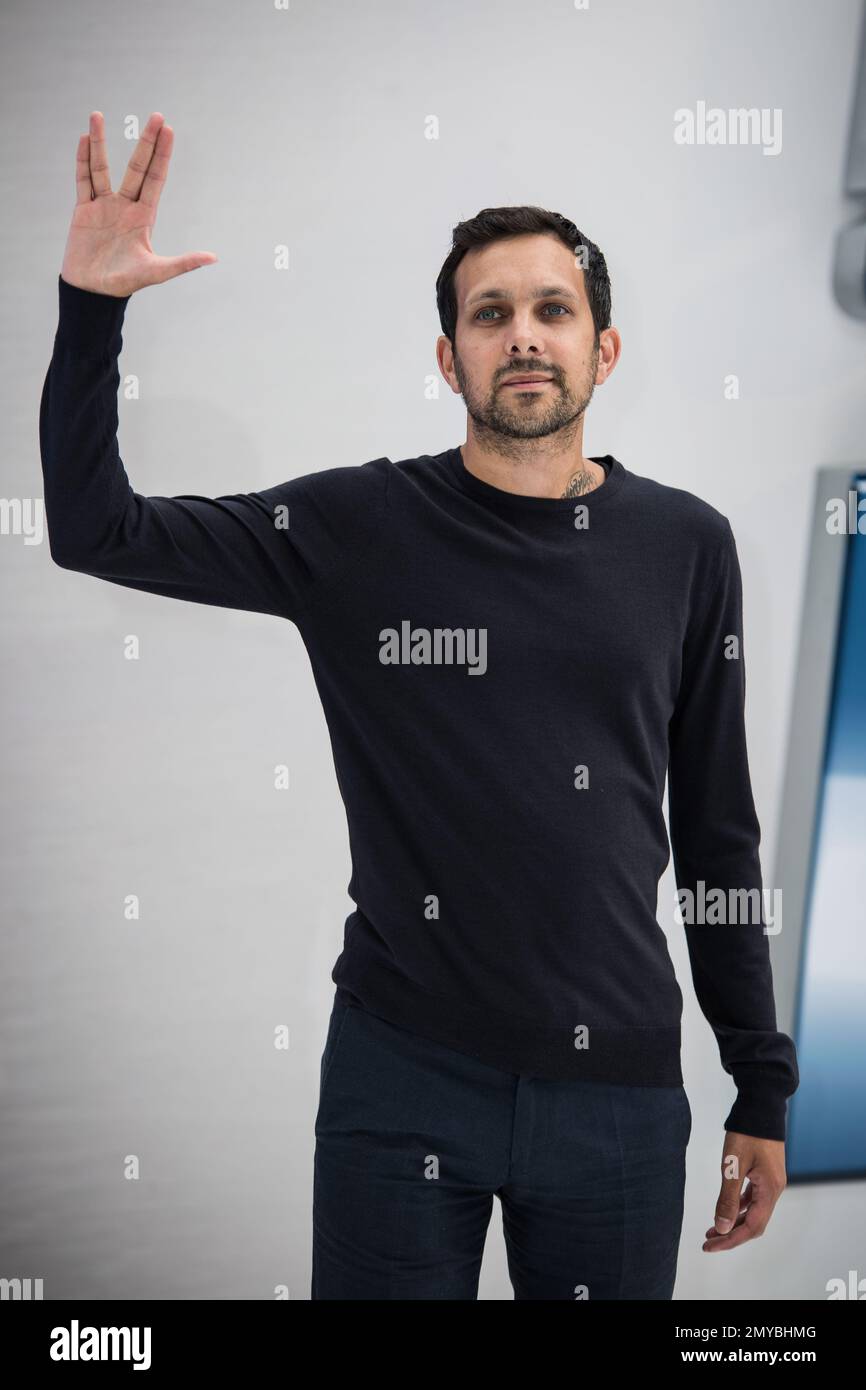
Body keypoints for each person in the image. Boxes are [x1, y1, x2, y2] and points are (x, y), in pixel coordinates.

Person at [40, 110, 798, 1301]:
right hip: (403, 1077)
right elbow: (98, 529)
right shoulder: (356, 528)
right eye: (489, 314)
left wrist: (760, 1081)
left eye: (553, 309)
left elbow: (718, 831)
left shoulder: (686, 546)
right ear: (449, 359)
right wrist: (93, 311)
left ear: (603, 350)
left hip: (616, 1095)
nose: (523, 336)